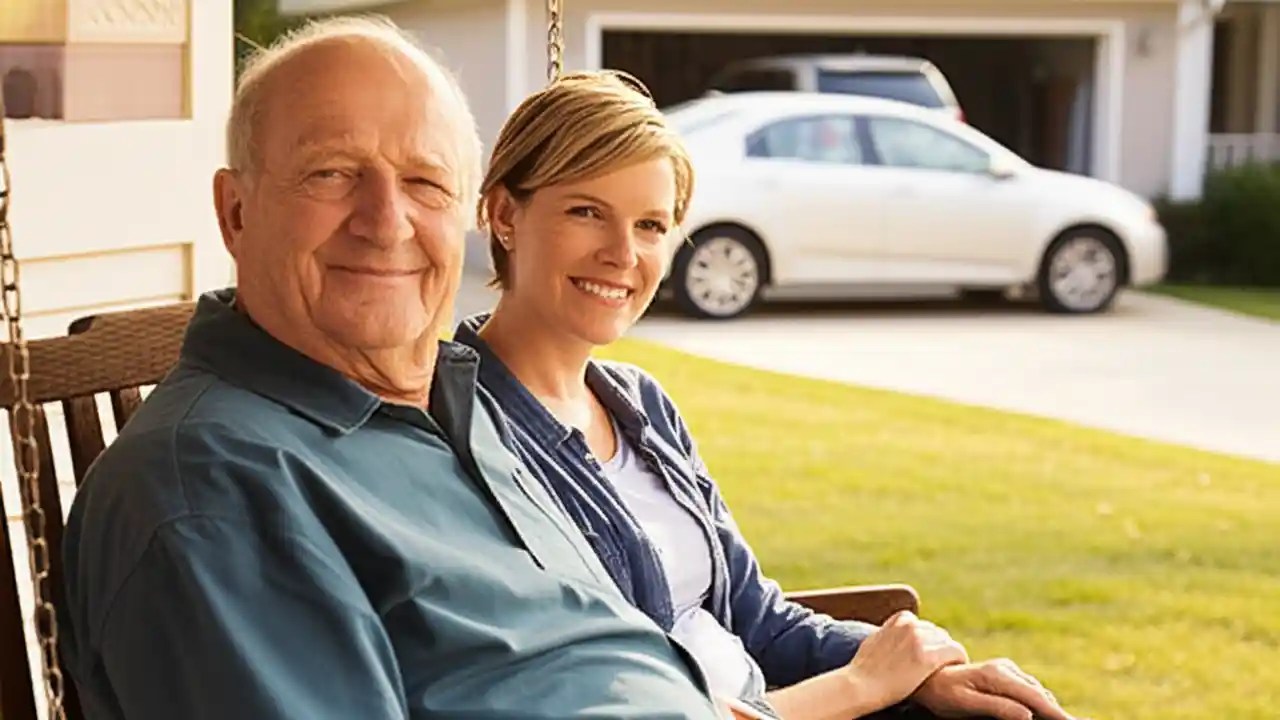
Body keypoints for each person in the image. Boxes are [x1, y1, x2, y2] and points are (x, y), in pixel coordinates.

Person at [57, 16, 740, 720]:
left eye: (425, 183)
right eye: (332, 173)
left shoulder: (462, 406)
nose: (386, 222)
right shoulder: (209, 493)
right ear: (236, 211)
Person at [453, 70, 1083, 720]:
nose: (623, 253)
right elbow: (607, 699)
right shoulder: (456, 428)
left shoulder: (640, 406)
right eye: (587, 212)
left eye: (650, 225)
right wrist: (862, 685)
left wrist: (922, 674)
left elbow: (759, 620)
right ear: (504, 214)